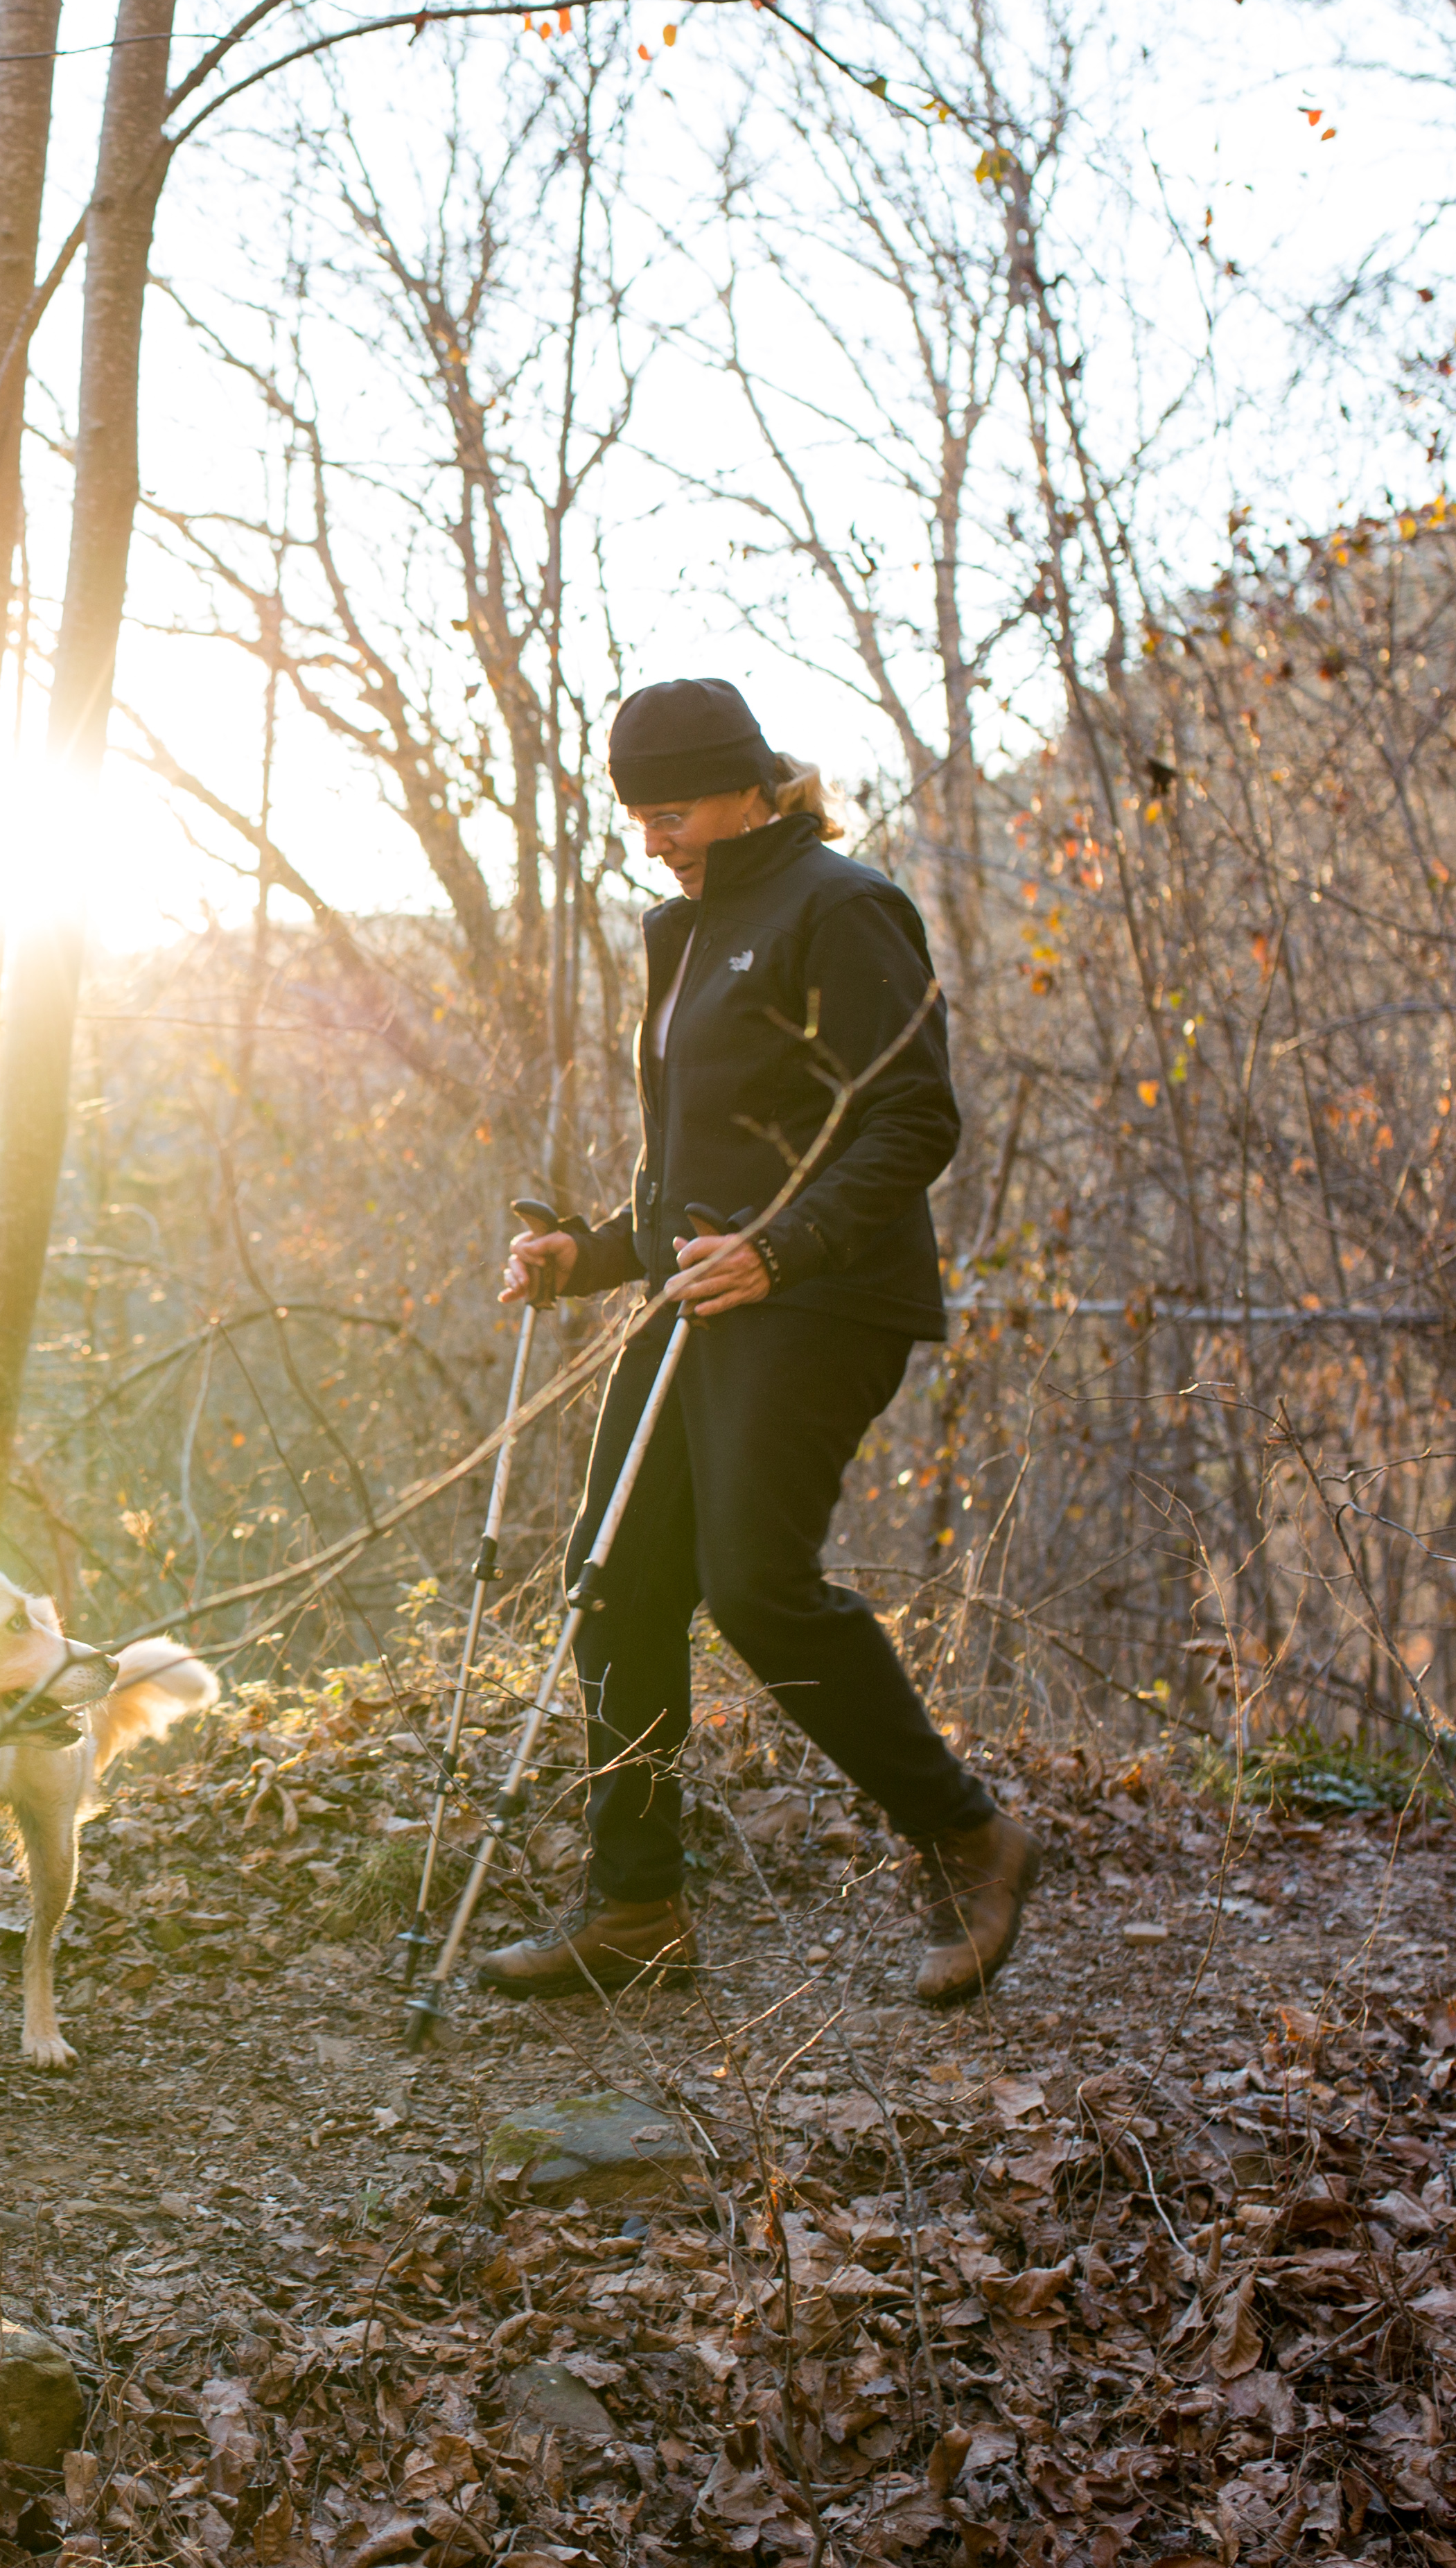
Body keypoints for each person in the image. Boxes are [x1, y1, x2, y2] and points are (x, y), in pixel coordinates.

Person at [475, 675, 1041, 2007]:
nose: (653, 837)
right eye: (637, 816)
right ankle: (638, 1910)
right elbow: (697, 1173)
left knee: (755, 1585)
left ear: (748, 788)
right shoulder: (693, 927)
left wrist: (783, 1250)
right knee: (613, 1574)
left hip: (825, 1301)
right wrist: (594, 1252)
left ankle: (973, 1837)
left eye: (671, 810)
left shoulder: (844, 908)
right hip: (702, 1300)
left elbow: (914, 1123)